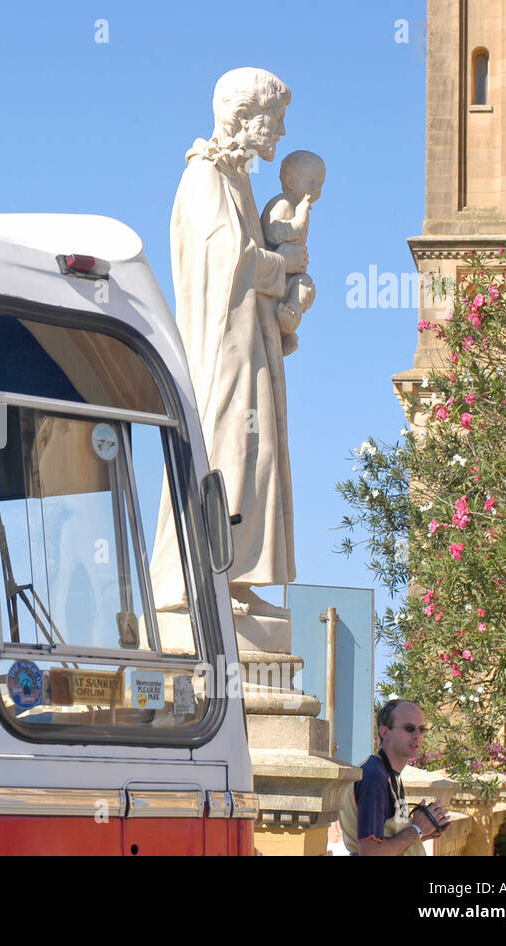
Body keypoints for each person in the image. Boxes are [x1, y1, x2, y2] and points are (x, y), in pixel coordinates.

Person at [153, 67, 306, 618]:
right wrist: (281, 262)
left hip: (250, 346)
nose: (282, 132)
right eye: (276, 118)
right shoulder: (204, 178)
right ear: (243, 116)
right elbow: (230, 260)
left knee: (253, 453)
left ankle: (234, 578)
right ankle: (196, 580)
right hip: (221, 353)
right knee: (224, 452)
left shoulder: (237, 180)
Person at [339, 699, 452, 856]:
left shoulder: (388, 774)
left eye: (422, 730)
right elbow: (370, 852)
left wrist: (426, 829)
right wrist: (416, 830)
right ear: (385, 732)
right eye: (409, 729)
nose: (417, 736)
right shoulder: (374, 778)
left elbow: (387, 839)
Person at [261, 150, 325, 353]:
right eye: (311, 181)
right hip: (274, 275)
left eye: (320, 184)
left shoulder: (298, 207)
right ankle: (285, 324)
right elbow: (272, 233)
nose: (316, 188)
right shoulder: (283, 204)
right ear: (289, 180)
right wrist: (297, 223)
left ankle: (289, 320)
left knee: (305, 287)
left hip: (288, 278)